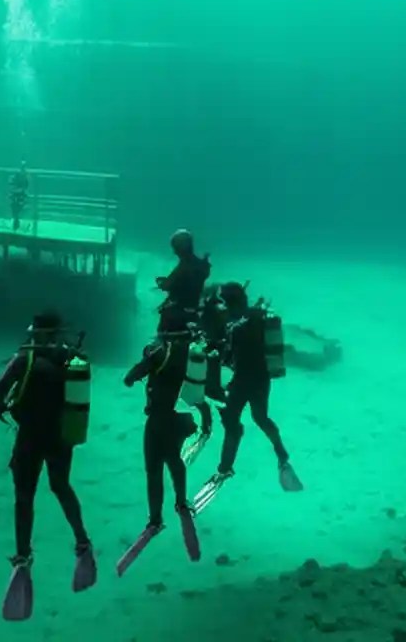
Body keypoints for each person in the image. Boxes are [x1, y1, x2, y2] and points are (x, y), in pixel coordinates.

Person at [0, 311, 94, 622]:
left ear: (34, 332)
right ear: (59, 332)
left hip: (29, 439)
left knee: (24, 495)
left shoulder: (23, 359)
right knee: (61, 486)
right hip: (61, 438)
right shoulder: (71, 359)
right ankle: (82, 542)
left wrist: (7, 410)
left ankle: (23, 556)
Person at [193, 282, 302, 514]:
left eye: (225, 301)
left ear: (231, 302)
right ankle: (281, 454)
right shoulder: (256, 318)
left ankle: (225, 467)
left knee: (232, 423)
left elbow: (227, 356)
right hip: (261, 380)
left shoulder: (237, 326)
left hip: (244, 381)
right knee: (261, 418)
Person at [117, 330, 203, 575]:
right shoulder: (185, 353)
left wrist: (144, 365)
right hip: (176, 420)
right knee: (174, 461)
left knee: (153, 469)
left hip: (157, 421)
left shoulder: (160, 353)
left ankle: (155, 520)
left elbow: (130, 376)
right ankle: (181, 503)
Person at [155, 229, 211, 332]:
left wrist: (162, 283)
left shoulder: (184, 266)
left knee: (161, 334)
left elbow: (170, 285)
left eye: (175, 247)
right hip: (193, 309)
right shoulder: (199, 264)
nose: (174, 251)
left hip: (177, 312)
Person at [9, 161, 30, 232]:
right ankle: (16, 224)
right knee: (15, 210)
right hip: (16, 195)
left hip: (20, 195)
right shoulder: (17, 175)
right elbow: (12, 184)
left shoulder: (25, 176)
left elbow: (26, 186)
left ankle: (17, 224)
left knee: (18, 210)